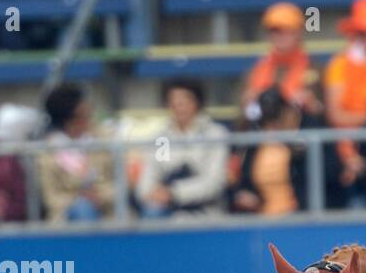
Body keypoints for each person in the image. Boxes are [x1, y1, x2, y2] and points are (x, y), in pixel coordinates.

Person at [135, 78, 230, 219]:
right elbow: (151, 174)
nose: (179, 106)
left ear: (197, 102)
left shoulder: (214, 134)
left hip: (205, 211)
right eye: (173, 102)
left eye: (184, 101)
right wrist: (151, 193)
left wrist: (175, 193)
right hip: (167, 210)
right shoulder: (163, 139)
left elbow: (213, 182)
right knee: (151, 213)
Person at [37, 82, 115, 223]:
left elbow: (120, 183)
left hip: (108, 211)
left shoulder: (103, 141)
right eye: (84, 110)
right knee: (83, 209)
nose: (90, 113)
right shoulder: (48, 152)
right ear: (70, 117)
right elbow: (51, 199)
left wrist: (100, 196)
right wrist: (79, 199)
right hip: (68, 217)